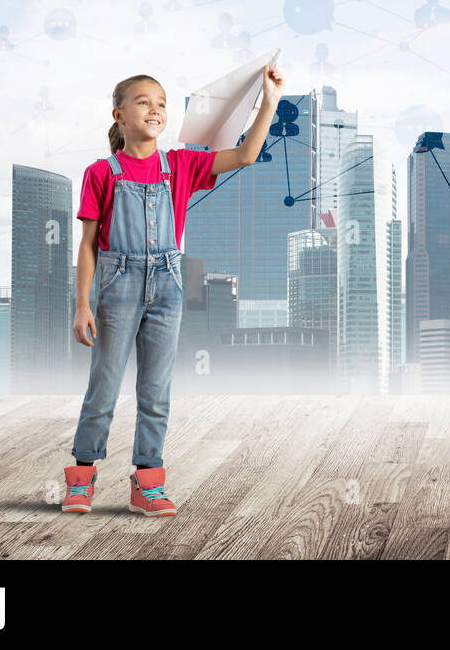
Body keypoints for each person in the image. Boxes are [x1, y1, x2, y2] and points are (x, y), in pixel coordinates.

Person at [62, 65, 285, 517]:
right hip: (117, 284)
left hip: (167, 287)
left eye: (161, 103)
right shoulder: (100, 172)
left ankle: (147, 483)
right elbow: (86, 245)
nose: (155, 109)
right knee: (103, 385)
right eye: (143, 101)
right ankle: (81, 478)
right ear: (119, 115)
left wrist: (270, 100)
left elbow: (244, 155)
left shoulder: (182, 165)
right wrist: (81, 304)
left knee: (156, 390)